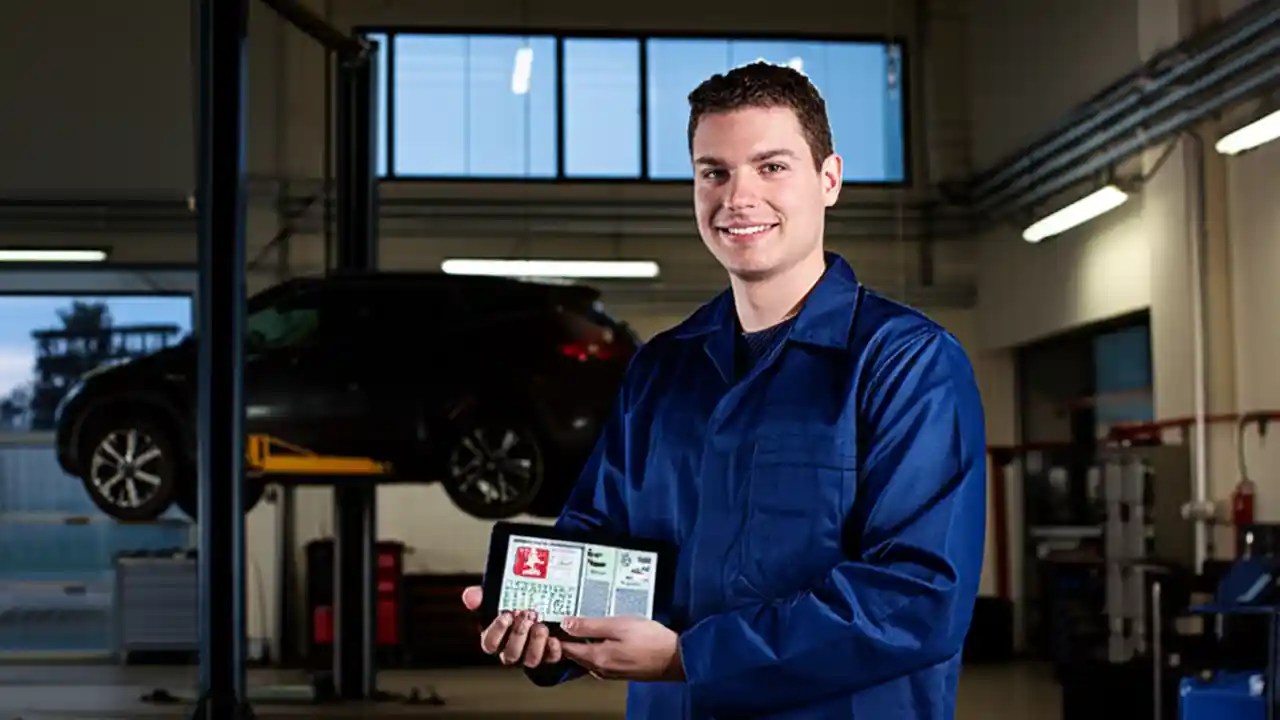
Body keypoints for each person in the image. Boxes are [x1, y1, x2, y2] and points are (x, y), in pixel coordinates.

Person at [460, 60, 987, 719]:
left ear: (829, 180)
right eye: (715, 172)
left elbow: (916, 599)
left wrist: (690, 658)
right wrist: (549, 628)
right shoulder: (663, 368)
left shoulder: (906, 363)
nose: (738, 197)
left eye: (771, 167)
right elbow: (603, 535)